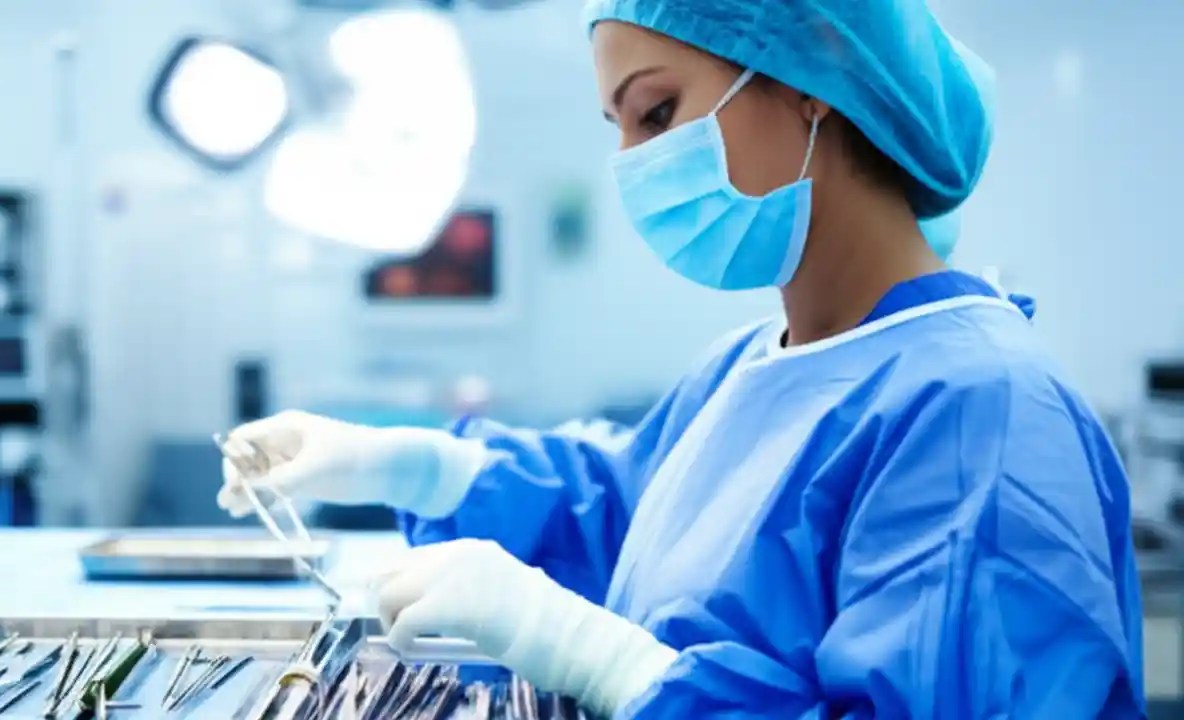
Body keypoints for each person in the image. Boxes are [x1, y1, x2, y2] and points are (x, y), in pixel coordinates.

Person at [217, 0, 1145, 716]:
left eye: (657, 112)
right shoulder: (757, 368)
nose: (631, 164)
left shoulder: (980, 413)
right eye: (618, 126)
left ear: (813, 75)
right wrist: (402, 460)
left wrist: (599, 658)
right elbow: (628, 514)